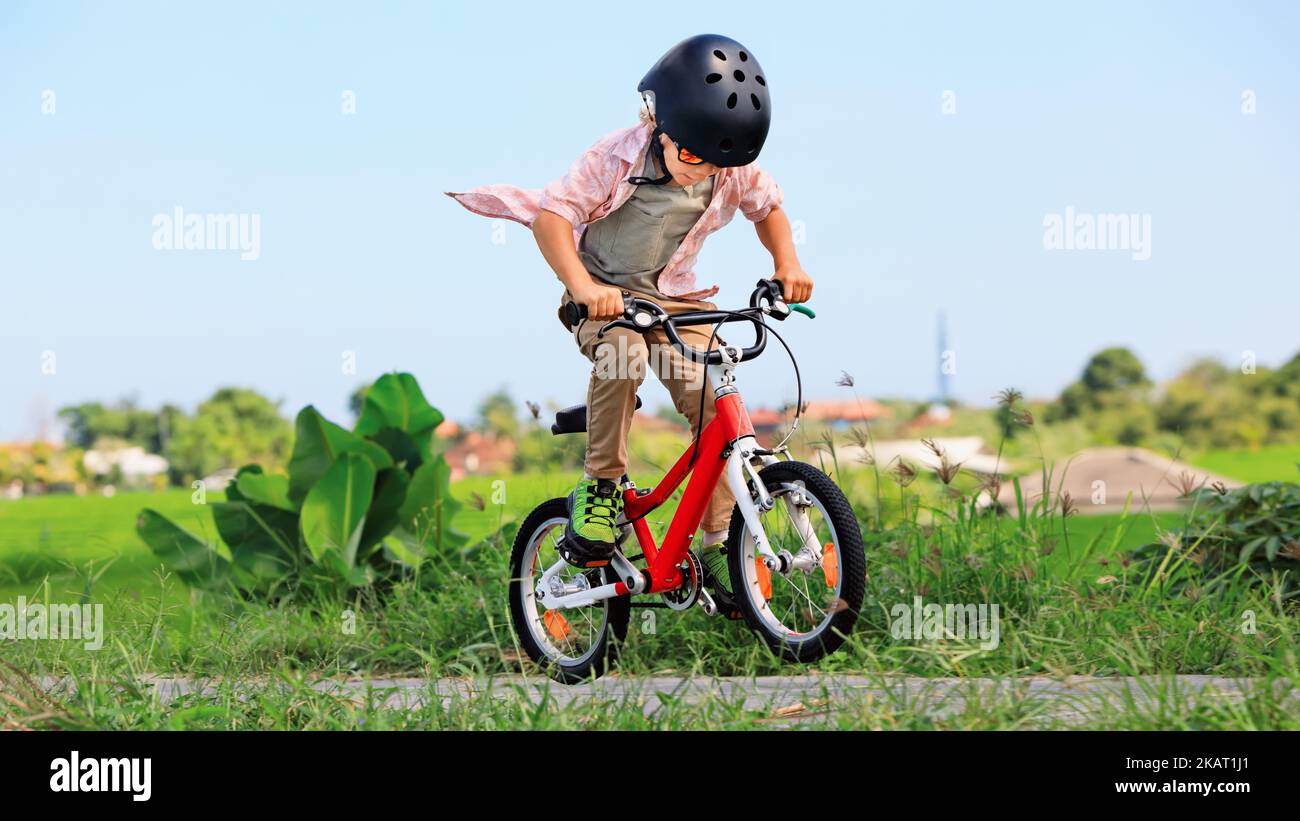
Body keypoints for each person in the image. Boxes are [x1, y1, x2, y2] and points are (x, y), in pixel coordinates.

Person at [448, 34, 812, 597]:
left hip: (679, 301)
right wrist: (583, 286)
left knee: (711, 401)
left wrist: (786, 262)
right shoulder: (614, 157)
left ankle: (719, 543)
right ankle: (602, 487)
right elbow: (552, 219)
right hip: (605, 297)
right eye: (690, 157)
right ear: (657, 123)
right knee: (624, 354)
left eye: (716, 163)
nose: (700, 172)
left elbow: (770, 210)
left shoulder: (726, 166)